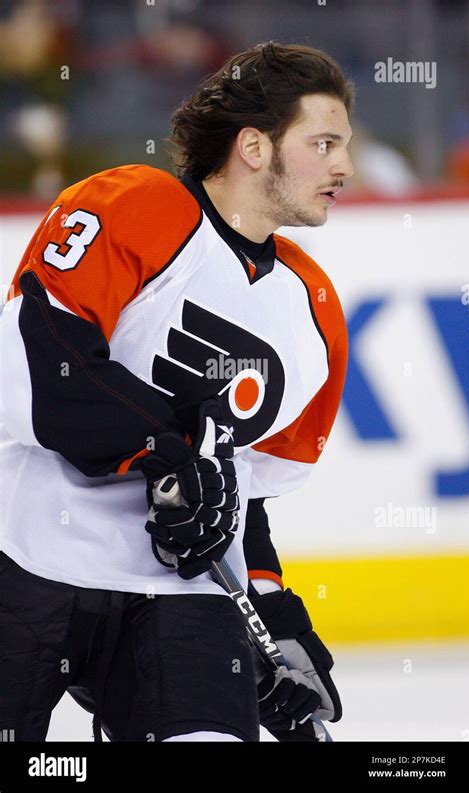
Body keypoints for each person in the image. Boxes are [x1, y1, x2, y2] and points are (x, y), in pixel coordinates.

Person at [0, 41, 353, 743]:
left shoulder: (313, 310)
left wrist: (274, 614)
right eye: (323, 144)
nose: (344, 166)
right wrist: (168, 449)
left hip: (177, 593)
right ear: (254, 146)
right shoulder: (134, 204)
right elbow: (39, 367)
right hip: (28, 559)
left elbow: (240, 487)